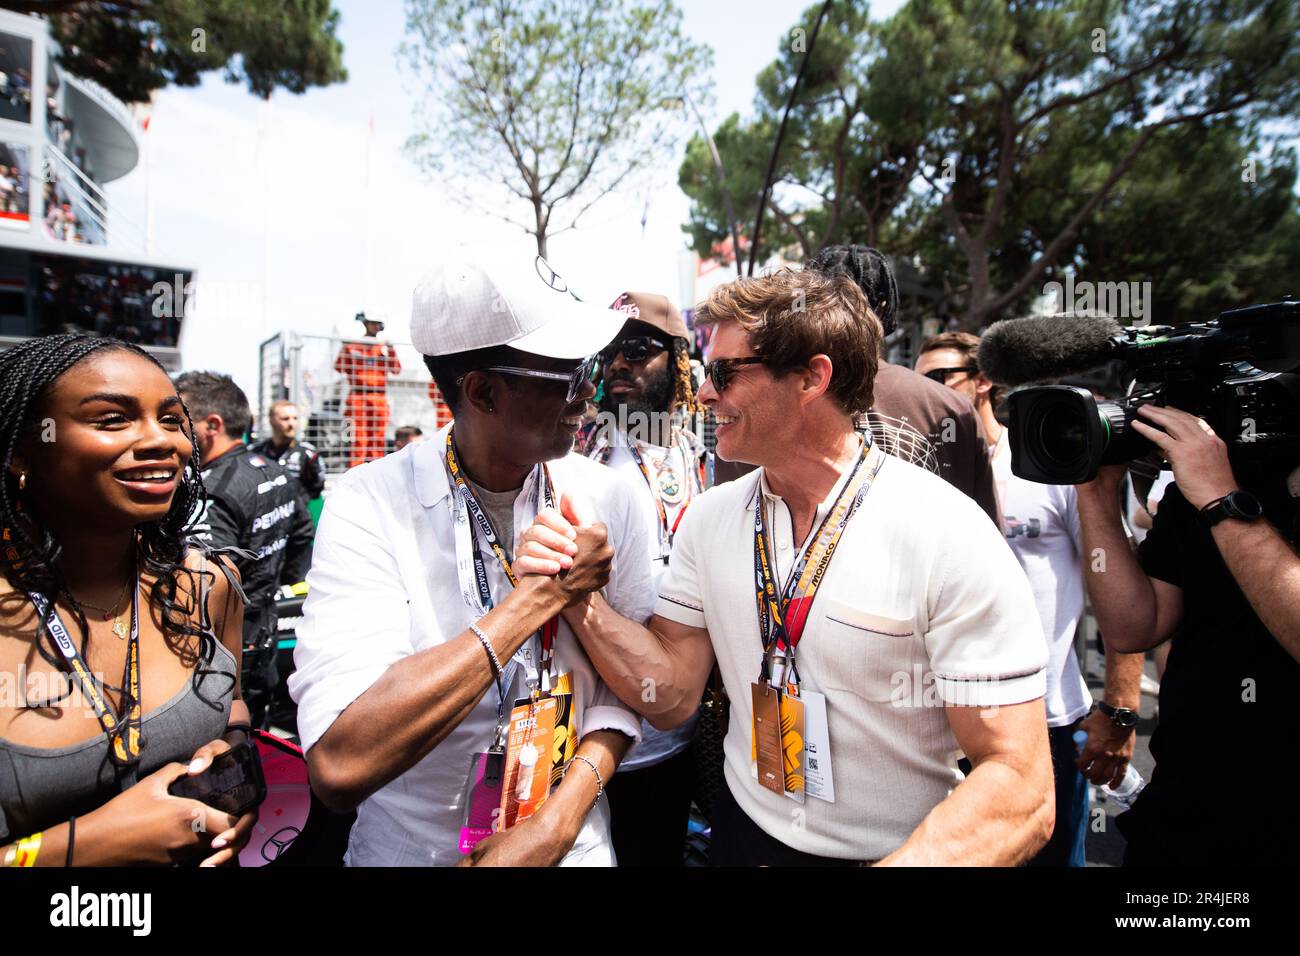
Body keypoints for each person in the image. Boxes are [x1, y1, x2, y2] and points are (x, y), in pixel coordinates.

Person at [516, 269, 1054, 865]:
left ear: (810, 378)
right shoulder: (711, 519)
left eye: (724, 372)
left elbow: (1021, 785)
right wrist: (580, 597)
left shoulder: (946, 532)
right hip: (742, 838)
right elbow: (669, 696)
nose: (704, 394)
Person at [289, 252, 655, 866]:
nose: (587, 392)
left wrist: (559, 825)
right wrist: (536, 601)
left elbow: (632, 688)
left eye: (587, 367)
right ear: (482, 391)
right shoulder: (368, 505)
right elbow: (340, 762)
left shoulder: (610, 494)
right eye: (566, 375)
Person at [0, 334, 256, 866]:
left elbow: (233, 707)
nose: (162, 441)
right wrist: (80, 847)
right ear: (21, 448)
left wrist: (233, 765)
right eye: (112, 419)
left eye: (169, 419)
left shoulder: (208, 587)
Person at [916, 330, 1144, 867]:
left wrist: (1122, 708)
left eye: (937, 378)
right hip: (940, 727)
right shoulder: (921, 476)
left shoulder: (1050, 462)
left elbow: (1117, 586)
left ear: (982, 382)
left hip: (1046, 721)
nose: (924, 392)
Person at [1076, 401, 1300, 865]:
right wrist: (1095, 493)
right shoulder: (1223, 471)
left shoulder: (1215, 484)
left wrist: (1222, 502)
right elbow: (1136, 626)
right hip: (1184, 811)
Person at [712, 246, 1001, 530]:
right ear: (886, 309)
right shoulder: (952, 406)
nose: (708, 393)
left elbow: (726, 529)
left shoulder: (758, 407)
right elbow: (990, 542)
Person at [575, 290, 704, 867]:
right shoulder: (582, 448)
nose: (618, 366)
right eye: (610, 354)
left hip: (676, 729)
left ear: (677, 360)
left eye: (636, 350)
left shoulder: (709, 450)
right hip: (589, 731)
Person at [177, 372, 314, 731]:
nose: (174, 432)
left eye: (179, 421)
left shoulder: (210, 489)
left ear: (212, 425)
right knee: (258, 731)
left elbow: (203, 583)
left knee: (224, 745)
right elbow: (302, 535)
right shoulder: (277, 471)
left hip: (225, 645)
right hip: (266, 626)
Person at [334, 312, 401, 467]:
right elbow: (339, 367)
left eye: (379, 323)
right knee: (358, 438)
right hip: (358, 396)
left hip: (378, 398)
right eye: (373, 323)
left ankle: (375, 473)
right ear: (365, 324)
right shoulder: (352, 345)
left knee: (377, 438)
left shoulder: (384, 347)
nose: (376, 326)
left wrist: (391, 350)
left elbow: (396, 370)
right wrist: (344, 348)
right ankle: (356, 473)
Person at [249, 400, 327, 499]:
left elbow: (317, 488)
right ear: (271, 420)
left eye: (295, 418)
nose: (291, 424)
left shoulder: (308, 454)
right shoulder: (255, 452)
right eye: (285, 419)